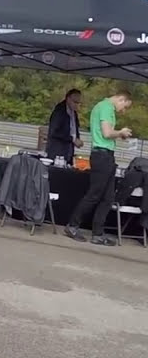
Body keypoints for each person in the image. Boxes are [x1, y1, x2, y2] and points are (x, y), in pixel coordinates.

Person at [64, 88, 134, 246]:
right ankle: (73, 225)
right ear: (121, 99)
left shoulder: (102, 107)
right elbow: (107, 133)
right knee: (94, 194)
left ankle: (97, 233)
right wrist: (120, 132)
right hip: (101, 155)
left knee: (108, 198)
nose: (123, 111)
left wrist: (119, 135)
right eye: (125, 106)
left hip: (106, 155)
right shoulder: (106, 108)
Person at [45, 88, 83, 165]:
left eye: (78, 103)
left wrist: (77, 139)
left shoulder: (74, 113)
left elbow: (75, 128)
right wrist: (72, 139)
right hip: (57, 151)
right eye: (75, 102)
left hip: (68, 151)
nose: (76, 105)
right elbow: (54, 132)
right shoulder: (59, 111)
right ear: (68, 99)